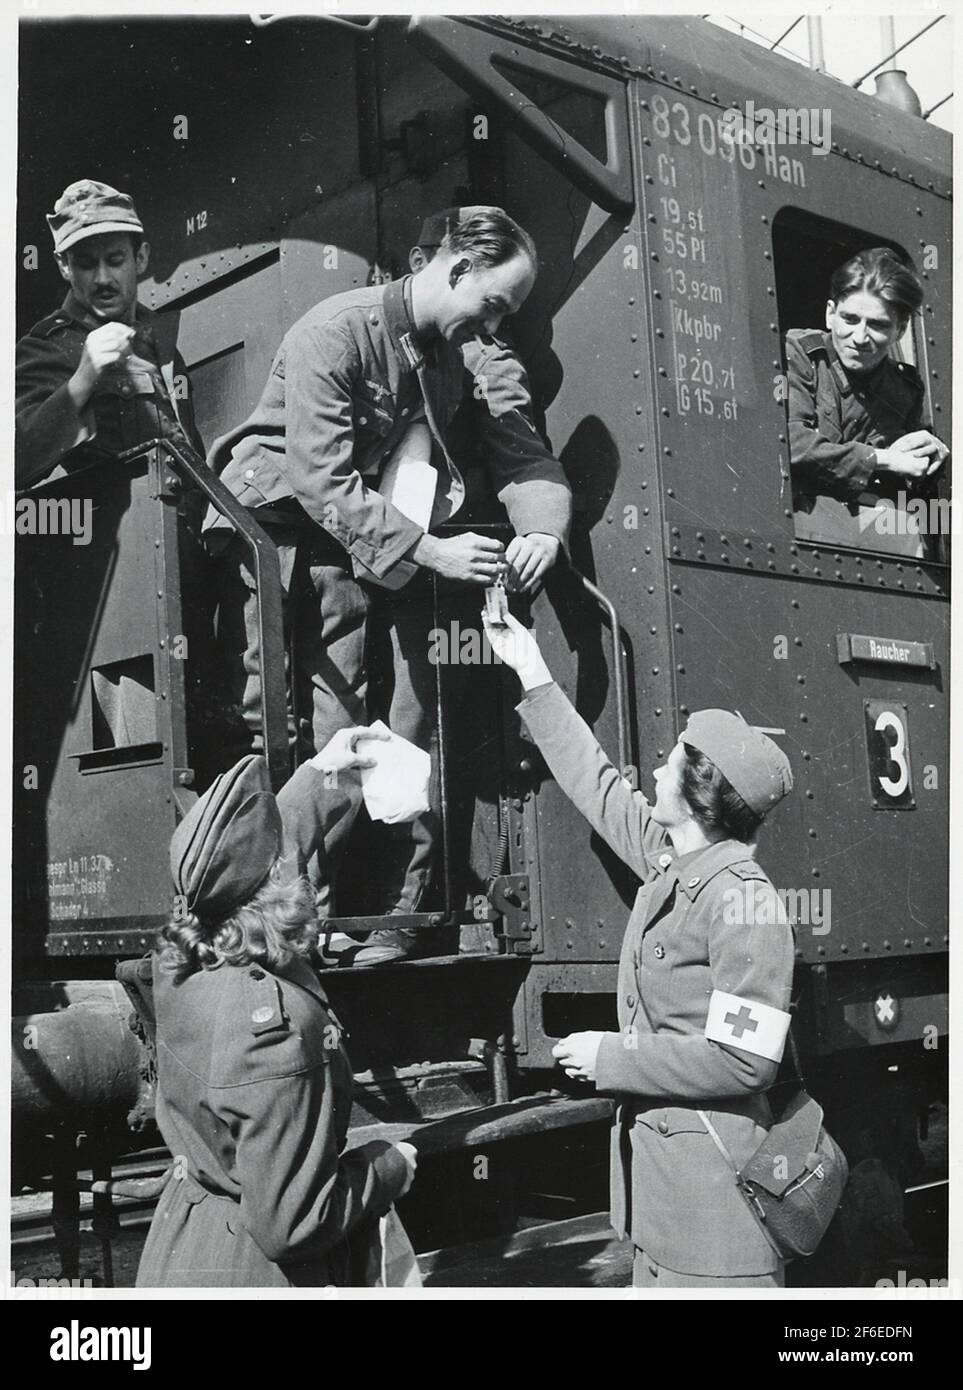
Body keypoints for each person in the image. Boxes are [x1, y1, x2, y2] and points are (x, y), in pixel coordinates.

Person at [206, 206, 571, 963]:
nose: (492, 321)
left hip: (341, 545)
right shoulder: (334, 330)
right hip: (272, 528)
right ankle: (265, 916)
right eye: (492, 302)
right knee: (271, 719)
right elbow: (318, 478)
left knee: (339, 720)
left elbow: (506, 435)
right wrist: (431, 553)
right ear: (455, 267)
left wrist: (538, 527)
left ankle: (311, 911)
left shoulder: (442, 356)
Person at [484, 613, 796, 1288]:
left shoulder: (743, 902)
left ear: (700, 793)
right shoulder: (671, 866)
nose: (654, 771)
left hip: (716, 1220)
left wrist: (608, 1056)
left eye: (670, 762)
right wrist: (530, 670)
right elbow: (595, 783)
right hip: (661, 1212)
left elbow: (743, 1064)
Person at [136, 729, 418, 1287]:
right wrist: (388, 1168)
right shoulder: (275, 1030)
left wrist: (324, 772)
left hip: (186, 1247)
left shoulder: (177, 961)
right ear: (275, 884)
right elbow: (292, 1224)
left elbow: (231, 860)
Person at [16, 179, 204, 489]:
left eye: (115, 261)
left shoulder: (157, 339)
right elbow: (13, 464)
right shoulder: (47, 347)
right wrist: (82, 381)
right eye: (87, 265)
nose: (103, 278)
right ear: (64, 267)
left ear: (140, 257)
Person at [786, 247, 948, 556]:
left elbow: (915, 488)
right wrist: (883, 458)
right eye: (849, 319)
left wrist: (931, 457)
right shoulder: (800, 354)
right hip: (805, 531)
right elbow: (792, 444)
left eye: (877, 325)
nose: (859, 337)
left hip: (870, 538)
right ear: (830, 314)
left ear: (900, 330)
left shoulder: (905, 389)